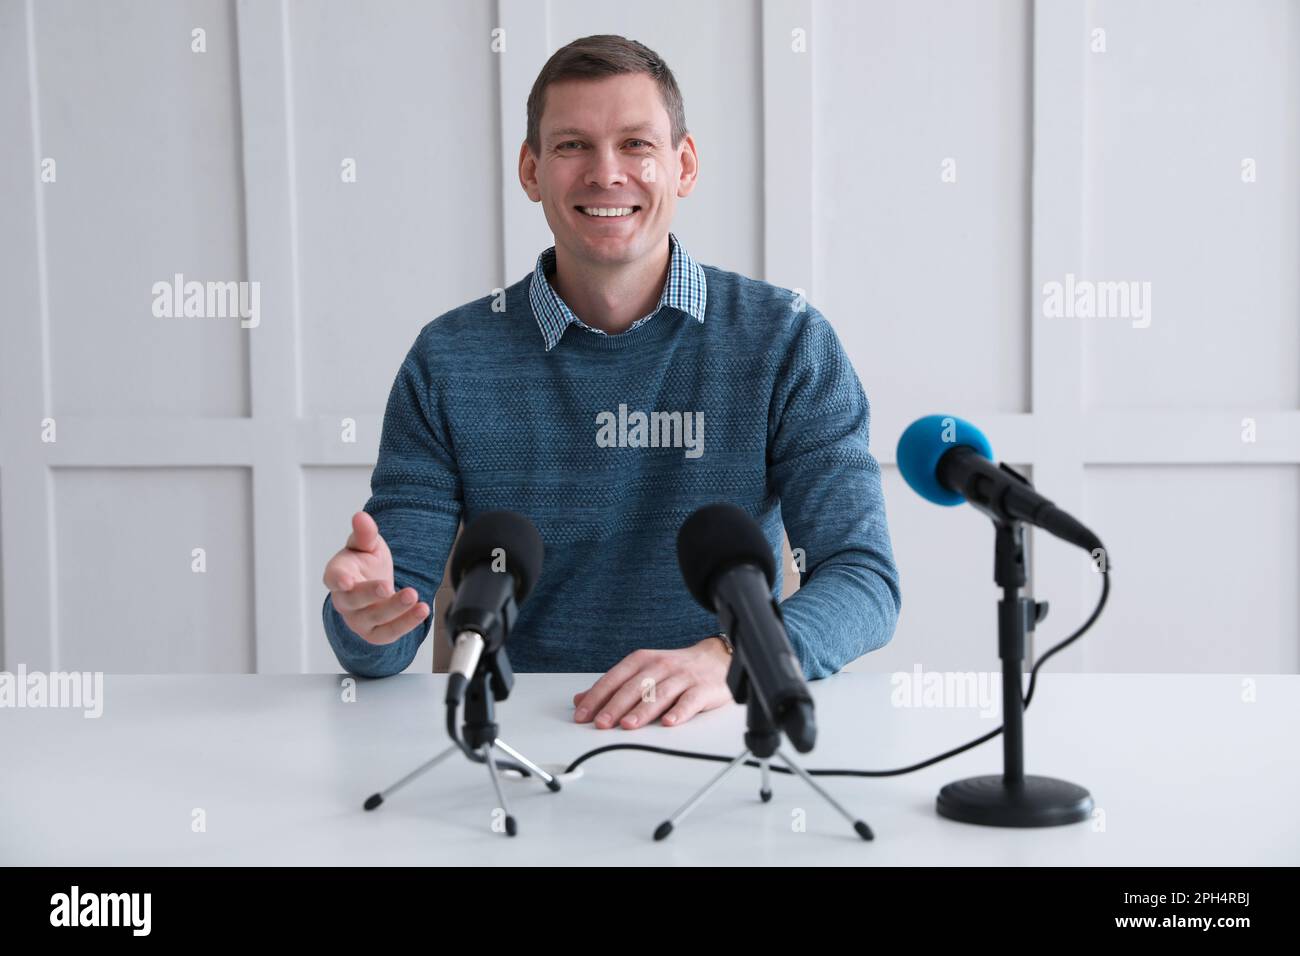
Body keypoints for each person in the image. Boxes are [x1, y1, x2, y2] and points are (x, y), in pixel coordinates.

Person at [322, 34, 900, 731]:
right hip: (520, 738)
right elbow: (386, 625)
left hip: (720, 724)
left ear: (682, 166)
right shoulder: (448, 359)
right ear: (531, 171)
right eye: (572, 146)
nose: (606, 173)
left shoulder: (786, 341)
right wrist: (366, 619)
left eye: (635, 144)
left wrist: (728, 655)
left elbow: (863, 580)